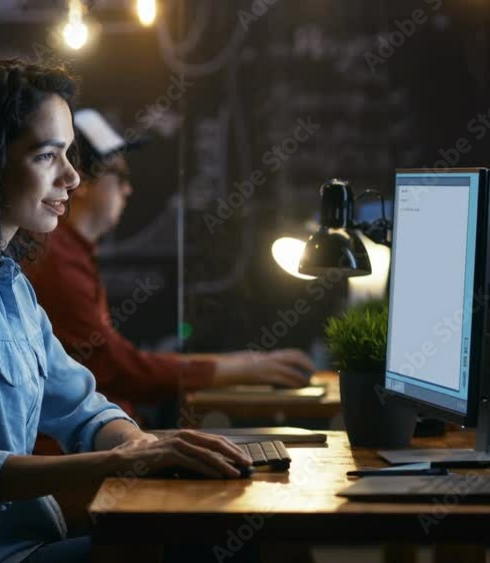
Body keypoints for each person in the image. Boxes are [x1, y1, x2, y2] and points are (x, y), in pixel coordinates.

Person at [0, 58, 253, 563]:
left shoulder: (7, 281)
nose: (72, 176)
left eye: (69, 154)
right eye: (48, 156)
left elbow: (82, 408)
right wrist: (125, 461)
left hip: (18, 547)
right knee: (220, 545)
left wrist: (137, 448)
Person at [24, 109, 315, 421]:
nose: (128, 190)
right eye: (120, 175)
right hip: (76, 456)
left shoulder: (69, 251)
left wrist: (240, 364)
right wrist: (244, 368)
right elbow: (116, 367)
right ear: (80, 180)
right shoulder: (56, 260)